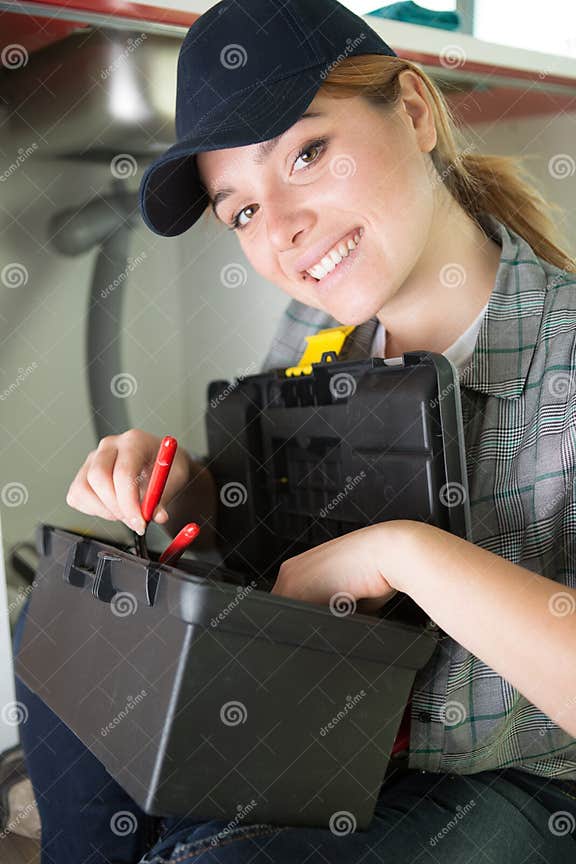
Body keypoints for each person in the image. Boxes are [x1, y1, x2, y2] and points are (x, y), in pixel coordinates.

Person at [13, 0, 576, 861]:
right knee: (59, 622)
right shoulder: (320, 334)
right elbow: (271, 521)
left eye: (307, 154)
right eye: (239, 210)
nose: (279, 231)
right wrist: (185, 490)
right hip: (318, 720)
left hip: (503, 777)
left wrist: (401, 552)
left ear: (417, 112)